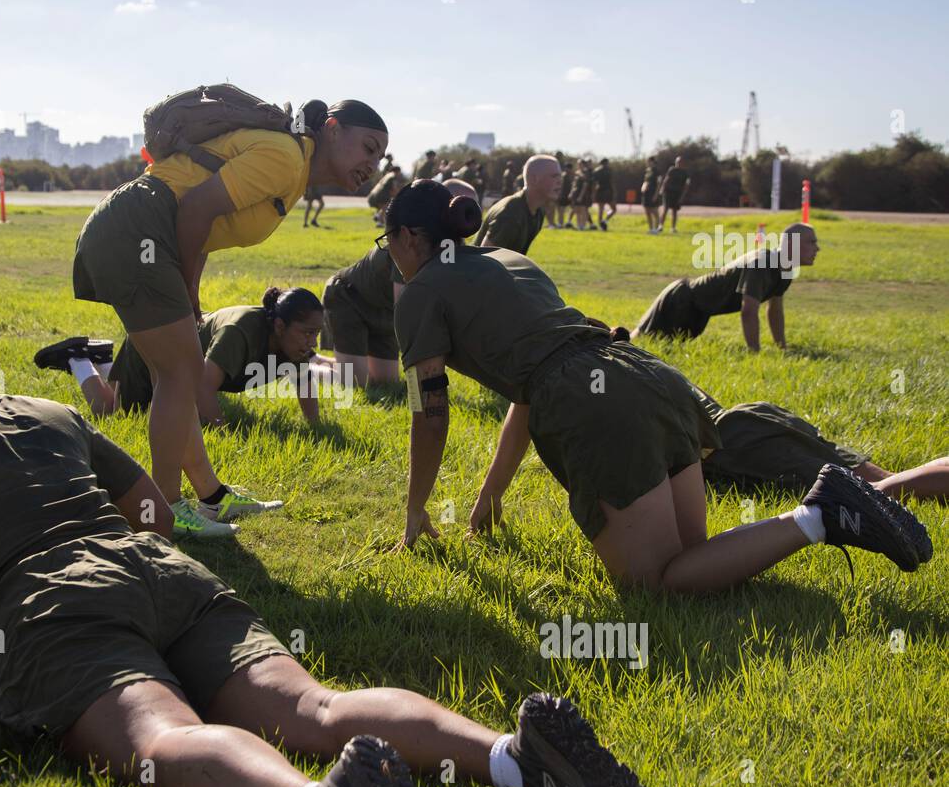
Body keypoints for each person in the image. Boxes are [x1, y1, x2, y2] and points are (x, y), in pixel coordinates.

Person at [0, 320, 658, 787]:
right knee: (316, 705)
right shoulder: (50, 409)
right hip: (159, 571)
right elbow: (153, 508)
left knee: (158, 737)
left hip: (54, 604)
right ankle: (515, 757)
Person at [385, 180, 930, 594]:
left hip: (592, 405)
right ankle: (820, 512)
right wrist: (490, 496)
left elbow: (430, 411)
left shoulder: (418, 293)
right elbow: (527, 391)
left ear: (409, 236)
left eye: (389, 241)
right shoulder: (510, 258)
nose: (390, 253)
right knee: (696, 561)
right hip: (646, 374)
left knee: (657, 584)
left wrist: (415, 511)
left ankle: (819, 514)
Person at [70, 98, 388, 536]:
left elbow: (203, 227)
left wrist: (190, 293)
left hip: (140, 227)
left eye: (381, 156)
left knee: (175, 373)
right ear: (331, 129)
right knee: (180, 373)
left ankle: (211, 498)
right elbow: (195, 209)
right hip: (139, 226)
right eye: (369, 148)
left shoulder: (293, 170)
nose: (373, 164)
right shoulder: (285, 157)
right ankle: (165, 509)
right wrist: (182, 288)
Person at [39, 287, 330, 437]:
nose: (312, 342)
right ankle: (77, 357)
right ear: (279, 326)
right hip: (154, 350)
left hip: (179, 364)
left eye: (316, 334)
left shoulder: (295, 347)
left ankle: (102, 359)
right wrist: (222, 432)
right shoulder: (241, 332)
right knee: (110, 410)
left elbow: (304, 382)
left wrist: (315, 426)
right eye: (307, 333)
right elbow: (203, 388)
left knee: (145, 399)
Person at [322, 180, 479, 387]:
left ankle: (336, 362)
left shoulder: (448, 246)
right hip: (350, 298)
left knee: (385, 382)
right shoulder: (412, 244)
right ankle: (304, 364)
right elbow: (405, 306)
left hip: (383, 311)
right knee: (353, 381)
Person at [691, 383, 949, 502]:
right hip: (756, 416)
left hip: (736, 438)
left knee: (869, 493)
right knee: (892, 479)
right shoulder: (657, 373)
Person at [632, 223, 817, 349]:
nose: (817, 248)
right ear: (792, 244)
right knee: (634, 344)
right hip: (680, 302)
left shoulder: (785, 269)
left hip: (699, 312)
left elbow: (775, 310)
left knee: (656, 350)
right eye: (812, 242)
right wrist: (755, 353)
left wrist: (781, 347)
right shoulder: (762, 263)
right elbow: (748, 312)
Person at [474, 154, 561, 255]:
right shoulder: (511, 212)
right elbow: (486, 258)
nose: (560, 181)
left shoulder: (538, 211)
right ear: (534, 178)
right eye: (554, 176)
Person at [657, 156, 690, 233]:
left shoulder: (685, 173)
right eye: (677, 162)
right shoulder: (672, 170)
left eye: (680, 162)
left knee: (674, 211)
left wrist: (682, 196)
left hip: (677, 193)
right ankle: (660, 226)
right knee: (665, 209)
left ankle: (673, 228)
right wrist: (662, 189)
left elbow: (686, 185)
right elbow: (666, 179)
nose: (679, 164)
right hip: (668, 192)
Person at [592, 158, 616, 230]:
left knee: (601, 209)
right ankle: (605, 220)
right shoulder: (609, 170)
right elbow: (611, 182)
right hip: (608, 191)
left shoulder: (596, 171)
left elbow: (594, 183)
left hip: (600, 191)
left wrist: (593, 193)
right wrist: (614, 192)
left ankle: (601, 223)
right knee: (613, 209)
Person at [640, 156, 662, 234]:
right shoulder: (647, 171)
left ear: (653, 162)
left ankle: (656, 229)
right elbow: (645, 181)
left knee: (655, 212)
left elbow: (659, 183)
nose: (647, 163)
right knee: (647, 211)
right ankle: (651, 229)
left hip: (653, 193)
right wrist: (643, 187)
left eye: (649, 161)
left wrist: (656, 195)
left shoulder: (657, 171)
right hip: (646, 193)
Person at [553, 159, 574, 229]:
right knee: (560, 210)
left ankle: (566, 222)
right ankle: (560, 224)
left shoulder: (571, 176)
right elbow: (560, 186)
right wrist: (558, 194)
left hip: (568, 196)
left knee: (572, 209)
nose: (569, 170)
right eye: (568, 168)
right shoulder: (563, 176)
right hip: (562, 195)